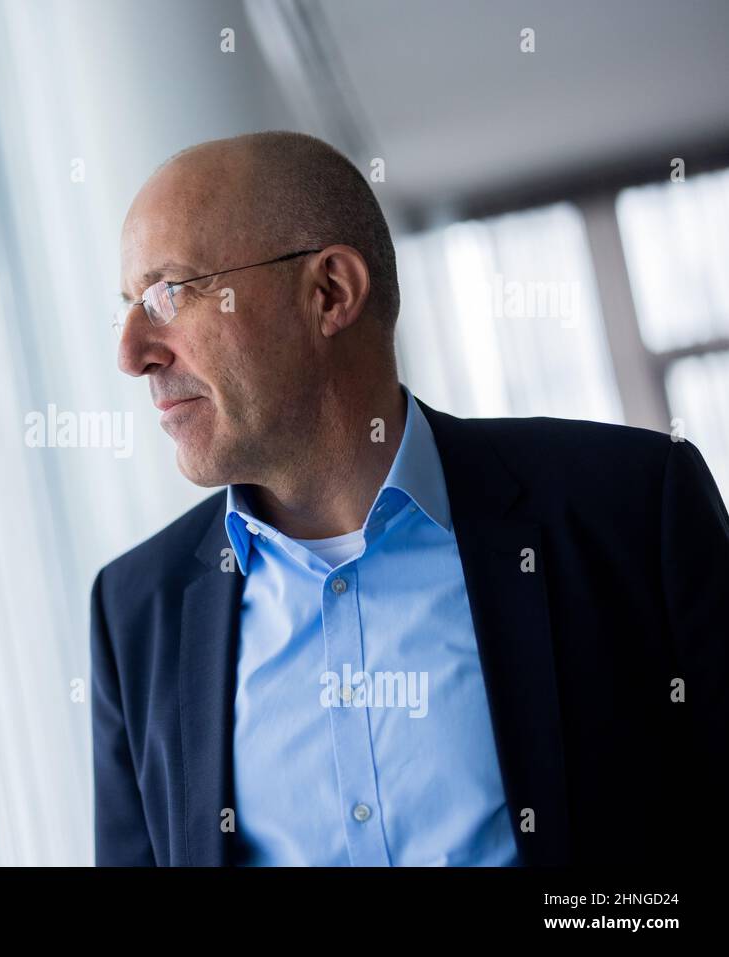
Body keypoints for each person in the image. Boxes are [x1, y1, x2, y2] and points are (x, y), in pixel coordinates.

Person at [90, 131, 728, 866]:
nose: (132, 352)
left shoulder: (631, 508)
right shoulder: (134, 611)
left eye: (170, 292)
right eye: (129, 306)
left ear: (329, 291)